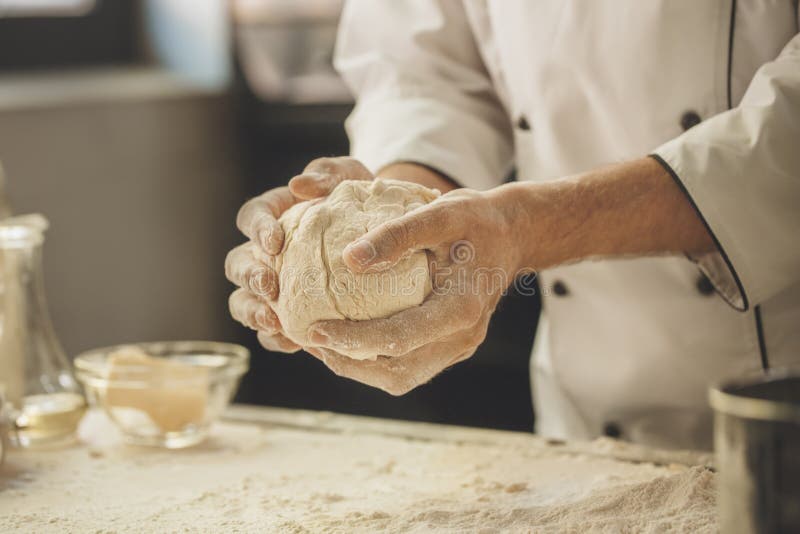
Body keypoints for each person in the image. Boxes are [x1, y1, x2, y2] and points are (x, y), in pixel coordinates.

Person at [226, 1, 800, 450]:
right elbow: (429, 76)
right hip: (584, 421)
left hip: (781, 401)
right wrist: (398, 218)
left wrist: (529, 228)